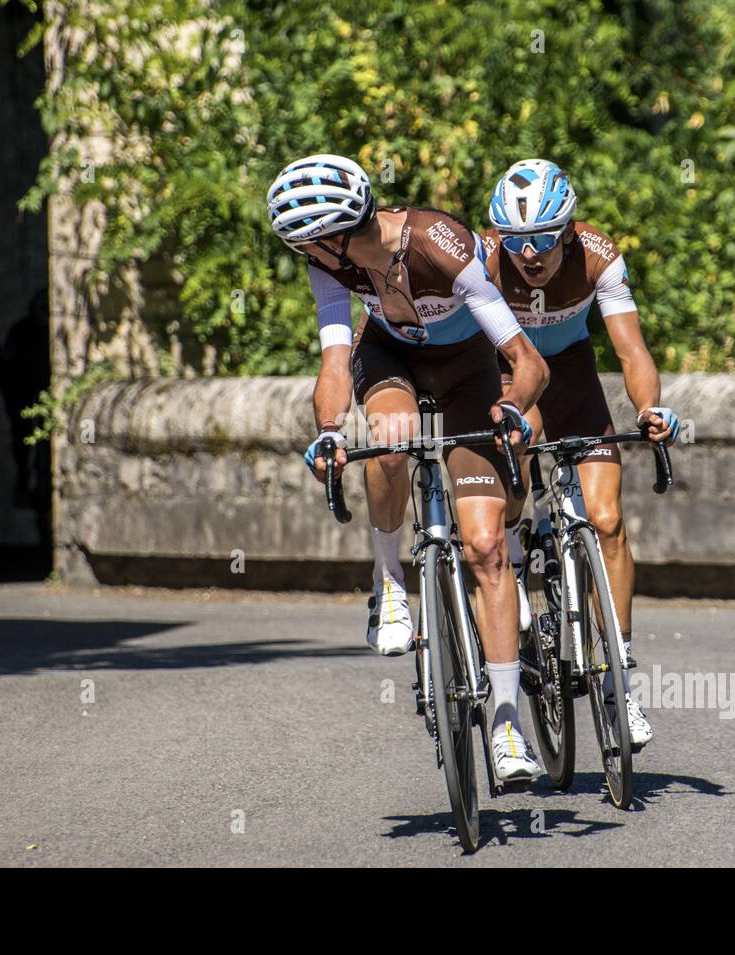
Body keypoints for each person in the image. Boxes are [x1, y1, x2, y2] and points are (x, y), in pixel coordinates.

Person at [267, 154, 550, 782]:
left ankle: (506, 725)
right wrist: (330, 434)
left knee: (486, 550)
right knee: (391, 439)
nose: (311, 255)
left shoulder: (437, 245)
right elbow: (336, 362)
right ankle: (389, 577)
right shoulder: (328, 264)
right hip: (390, 360)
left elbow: (527, 360)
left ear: (342, 230)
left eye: (312, 242)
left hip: (470, 370)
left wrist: (512, 407)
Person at [481, 159, 678, 748]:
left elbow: (630, 348)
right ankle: (511, 565)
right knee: (519, 460)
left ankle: (620, 680)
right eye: (516, 240)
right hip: (512, 376)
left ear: (568, 229)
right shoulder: (486, 261)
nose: (529, 254)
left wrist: (649, 408)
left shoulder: (598, 254)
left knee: (608, 520)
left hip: (573, 376)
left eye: (542, 238)